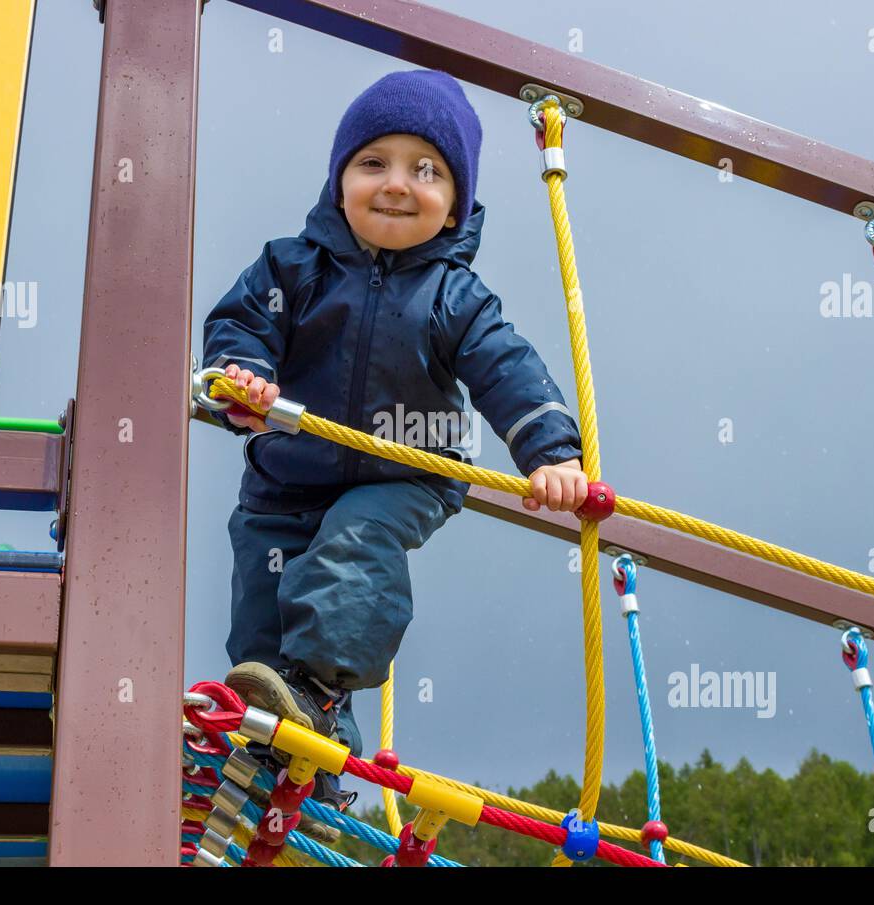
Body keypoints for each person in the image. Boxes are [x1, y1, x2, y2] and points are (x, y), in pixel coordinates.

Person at [202, 69, 586, 840]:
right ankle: (300, 767)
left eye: (427, 170)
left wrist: (551, 450)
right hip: (288, 476)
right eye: (374, 163)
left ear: (456, 204)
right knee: (263, 621)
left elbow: (508, 370)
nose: (397, 185)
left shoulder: (455, 296)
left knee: (355, 547)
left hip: (408, 470)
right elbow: (239, 329)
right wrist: (241, 381)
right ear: (339, 178)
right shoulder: (290, 268)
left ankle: (316, 703)